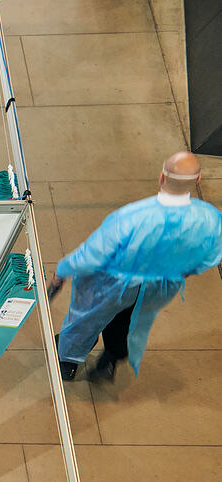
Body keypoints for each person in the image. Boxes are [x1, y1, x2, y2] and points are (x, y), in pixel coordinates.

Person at [48, 151, 222, 382]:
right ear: (198, 180)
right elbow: (210, 256)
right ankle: (112, 357)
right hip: (159, 286)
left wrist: (62, 271)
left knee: (86, 318)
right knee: (128, 321)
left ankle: (68, 361)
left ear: (162, 177)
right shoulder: (211, 219)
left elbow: (93, 254)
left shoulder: (131, 217)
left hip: (111, 284)